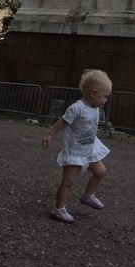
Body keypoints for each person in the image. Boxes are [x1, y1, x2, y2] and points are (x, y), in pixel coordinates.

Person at [42, 69, 112, 224]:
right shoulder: (77, 108)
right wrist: (50, 134)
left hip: (89, 148)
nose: (106, 100)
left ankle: (88, 195)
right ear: (93, 93)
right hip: (75, 150)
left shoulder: (95, 107)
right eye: (105, 96)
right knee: (68, 181)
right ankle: (58, 209)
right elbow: (63, 121)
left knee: (100, 171)